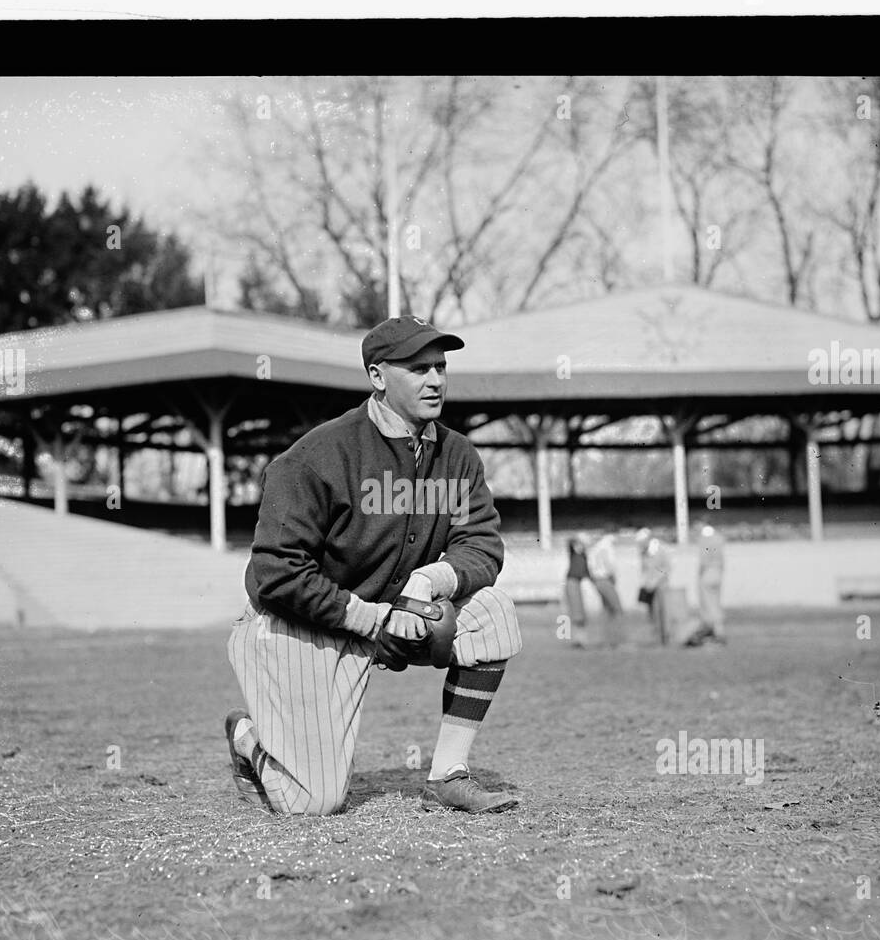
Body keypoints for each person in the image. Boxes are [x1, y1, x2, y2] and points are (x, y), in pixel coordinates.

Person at [223, 315, 523, 816]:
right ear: (378, 377)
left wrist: (427, 581)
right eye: (417, 368)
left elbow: (482, 543)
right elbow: (278, 573)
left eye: (440, 366)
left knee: (492, 611)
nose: (435, 380)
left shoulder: (457, 454)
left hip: (397, 612)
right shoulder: (316, 456)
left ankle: (449, 772)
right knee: (311, 803)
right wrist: (372, 618)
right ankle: (244, 735)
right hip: (301, 624)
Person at [563, 529, 624, 647]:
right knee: (577, 614)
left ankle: (581, 640)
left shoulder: (585, 556)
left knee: (581, 614)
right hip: (573, 583)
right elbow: (571, 542)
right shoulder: (575, 552)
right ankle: (578, 640)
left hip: (579, 583)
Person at [685, 521, 727, 646]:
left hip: (708, 574)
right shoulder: (718, 538)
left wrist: (700, 576)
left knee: (708, 606)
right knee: (715, 603)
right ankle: (719, 631)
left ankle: (715, 633)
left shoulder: (704, 540)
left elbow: (704, 560)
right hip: (718, 573)